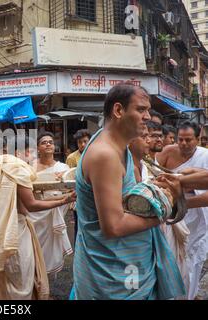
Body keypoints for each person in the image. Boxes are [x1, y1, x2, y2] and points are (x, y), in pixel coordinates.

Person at [73, 83, 185, 300]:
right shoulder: (105, 155)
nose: (148, 117)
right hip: (114, 275)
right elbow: (113, 226)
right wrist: (164, 210)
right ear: (118, 111)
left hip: (129, 265)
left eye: (147, 110)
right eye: (141, 109)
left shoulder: (119, 148)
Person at [0, 140, 77, 299]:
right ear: (18, 153)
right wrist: (63, 201)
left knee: (6, 275)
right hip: (15, 230)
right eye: (30, 152)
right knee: (22, 277)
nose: (33, 157)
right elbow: (31, 205)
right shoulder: (18, 169)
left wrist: (63, 197)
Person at [129, 127, 190, 295]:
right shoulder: (127, 169)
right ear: (129, 140)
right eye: (144, 136)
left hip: (154, 232)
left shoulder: (146, 166)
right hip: (135, 238)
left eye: (150, 136)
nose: (149, 140)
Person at [156, 120, 208, 300]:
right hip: (171, 219)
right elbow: (156, 178)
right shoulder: (167, 152)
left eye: (189, 140)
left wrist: (182, 201)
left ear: (198, 138)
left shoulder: (205, 157)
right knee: (171, 259)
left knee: (193, 260)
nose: (184, 144)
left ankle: (187, 295)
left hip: (197, 218)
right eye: (181, 140)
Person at [28, 132, 76, 275]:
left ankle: (44, 285)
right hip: (35, 213)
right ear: (37, 148)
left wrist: (61, 181)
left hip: (55, 212)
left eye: (51, 142)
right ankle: (35, 283)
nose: (48, 144)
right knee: (33, 249)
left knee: (50, 250)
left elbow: (71, 189)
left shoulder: (63, 169)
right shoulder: (30, 168)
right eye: (44, 142)